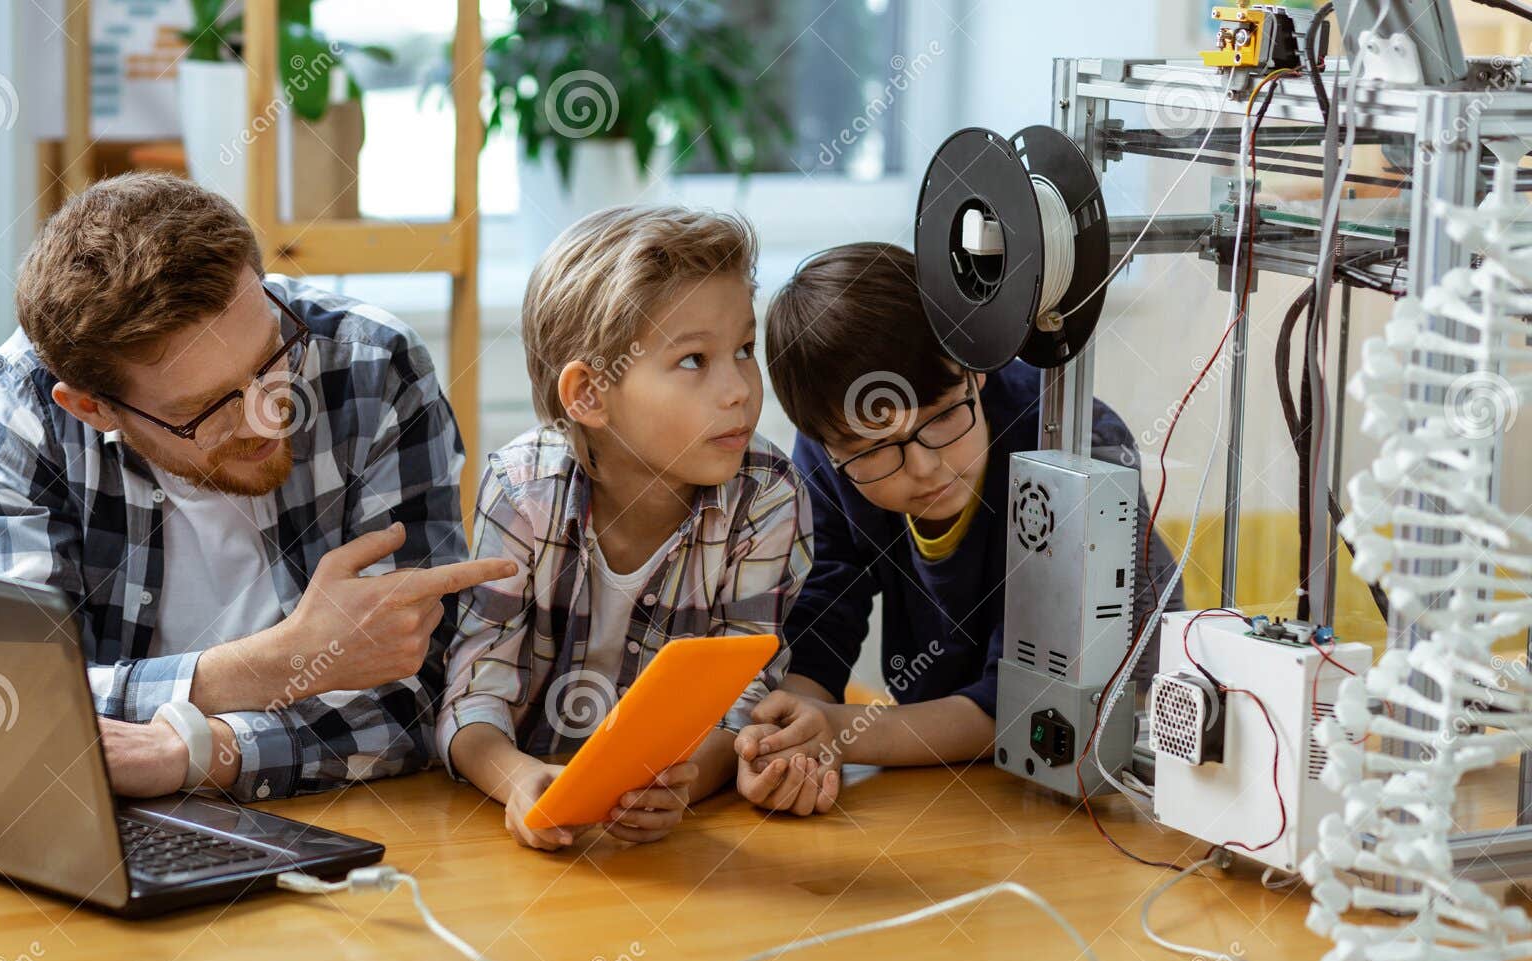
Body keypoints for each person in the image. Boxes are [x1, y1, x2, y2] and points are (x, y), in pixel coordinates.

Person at [0, 173, 513, 802]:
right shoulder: (25, 406)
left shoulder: (373, 367)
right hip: (90, 812)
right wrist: (283, 660)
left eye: (271, 356)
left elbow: (418, 692)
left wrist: (195, 751)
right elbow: (8, 693)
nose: (269, 416)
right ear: (93, 408)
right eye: (207, 408)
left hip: (325, 812)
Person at [736, 242, 1182, 814]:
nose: (925, 467)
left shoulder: (1073, 446)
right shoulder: (836, 452)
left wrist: (840, 732)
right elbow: (824, 617)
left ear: (976, 368)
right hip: (945, 754)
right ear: (828, 443)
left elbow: (1026, 704)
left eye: (944, 416)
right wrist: (790, 736)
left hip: (1110, 755)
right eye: (875, 450)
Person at [439, 206, 814, 850]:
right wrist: (520, 780)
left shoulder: (768, 497)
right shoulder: (522, 491)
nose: (740, 390)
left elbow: (744, 700)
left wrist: (681, 788)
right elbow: (474, 690)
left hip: (678, 839)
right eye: (694, 360)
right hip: (517, 838)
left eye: (744, 351)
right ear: (589, 394)